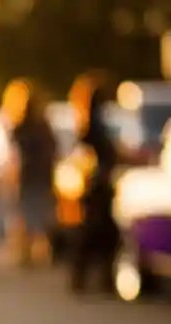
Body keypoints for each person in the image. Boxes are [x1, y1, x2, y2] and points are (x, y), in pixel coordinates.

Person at [67, 72, 119, 293]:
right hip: (97, 185)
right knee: (97, 232)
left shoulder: (89, 123)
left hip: (94, 184)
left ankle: (92, 278)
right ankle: (90, 278)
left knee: (99, 232)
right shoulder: (93, 125)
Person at [2, 78, 58, 268]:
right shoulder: (43, 126)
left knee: (25, 216)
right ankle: (37, 254)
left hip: (28, 178)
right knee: (38, 217)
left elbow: (15, 157)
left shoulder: (21, 128)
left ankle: (27, 254)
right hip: (40, 177)